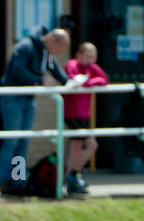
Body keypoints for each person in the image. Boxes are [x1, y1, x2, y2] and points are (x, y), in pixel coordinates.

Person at [0, 27, 70, 193]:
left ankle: (18, 179)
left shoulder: (45, 52)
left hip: (28, 99)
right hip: (13, 98)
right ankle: (4, 180)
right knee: (12, 141)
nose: (58, 53)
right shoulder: (26, 47)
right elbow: (17, 69)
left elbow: (54, 68)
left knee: (23, 142)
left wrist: (69, 82)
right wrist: (39, 80)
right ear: (52, 41)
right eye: (59, 49)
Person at [62, 43, 108, 195]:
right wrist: (85, 82)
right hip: (72, 113)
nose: (89, 60)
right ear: (78, 55)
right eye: (86, 56)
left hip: (83, 114)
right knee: (92, 145)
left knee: (76, 147)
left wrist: (88, 82)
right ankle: (72, 175)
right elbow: (72, 80)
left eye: (92, 57)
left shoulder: (91, 67)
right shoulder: (72, 64)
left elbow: (103, 79)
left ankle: (71, 182)